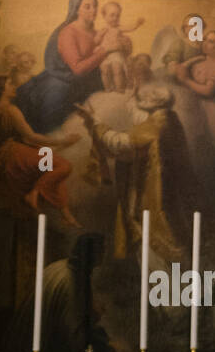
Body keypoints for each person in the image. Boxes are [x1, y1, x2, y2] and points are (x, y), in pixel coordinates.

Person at [74, 84, 197, 261]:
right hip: (167, 191)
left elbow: (120, 144)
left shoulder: (156, 123)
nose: (132, 111)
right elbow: (133, 142)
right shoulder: (170, 119)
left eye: (134, 106)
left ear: (147, 105)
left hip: (153, 195)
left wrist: (95, 122)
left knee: (156, 247)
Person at [17, 0, 117, 133]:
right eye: (87, 7)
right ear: (76, 9)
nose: (93, 10)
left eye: (95, 6)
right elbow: (77, 68)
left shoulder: (94, 32)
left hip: (83, 81)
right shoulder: (68, 32)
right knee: (55, 120)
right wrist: (104, 51)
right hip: (62, 81)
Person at [0, 74, 82, 225]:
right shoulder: (10, 110)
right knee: (63, 166)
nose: (14, 87)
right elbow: (32, 137)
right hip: (13, 153)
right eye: (10, 84)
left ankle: (65, 213)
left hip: (7, 154)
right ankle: (34, 193)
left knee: (51, 170)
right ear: (1, 89)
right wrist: (64, 140)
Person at [95, 1, 144, 93]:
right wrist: (99, 36)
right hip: (105, 55)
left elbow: (130, 28)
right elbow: (95, 42)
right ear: (104, 16)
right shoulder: (102, 30)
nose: (115, 18)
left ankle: (119, 88)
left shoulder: (118, 28)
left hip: (116, 54)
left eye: (117, 16)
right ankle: (108, 88)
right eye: (112, 15)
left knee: (117, 68)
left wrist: (137, 24)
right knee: (104, 70)